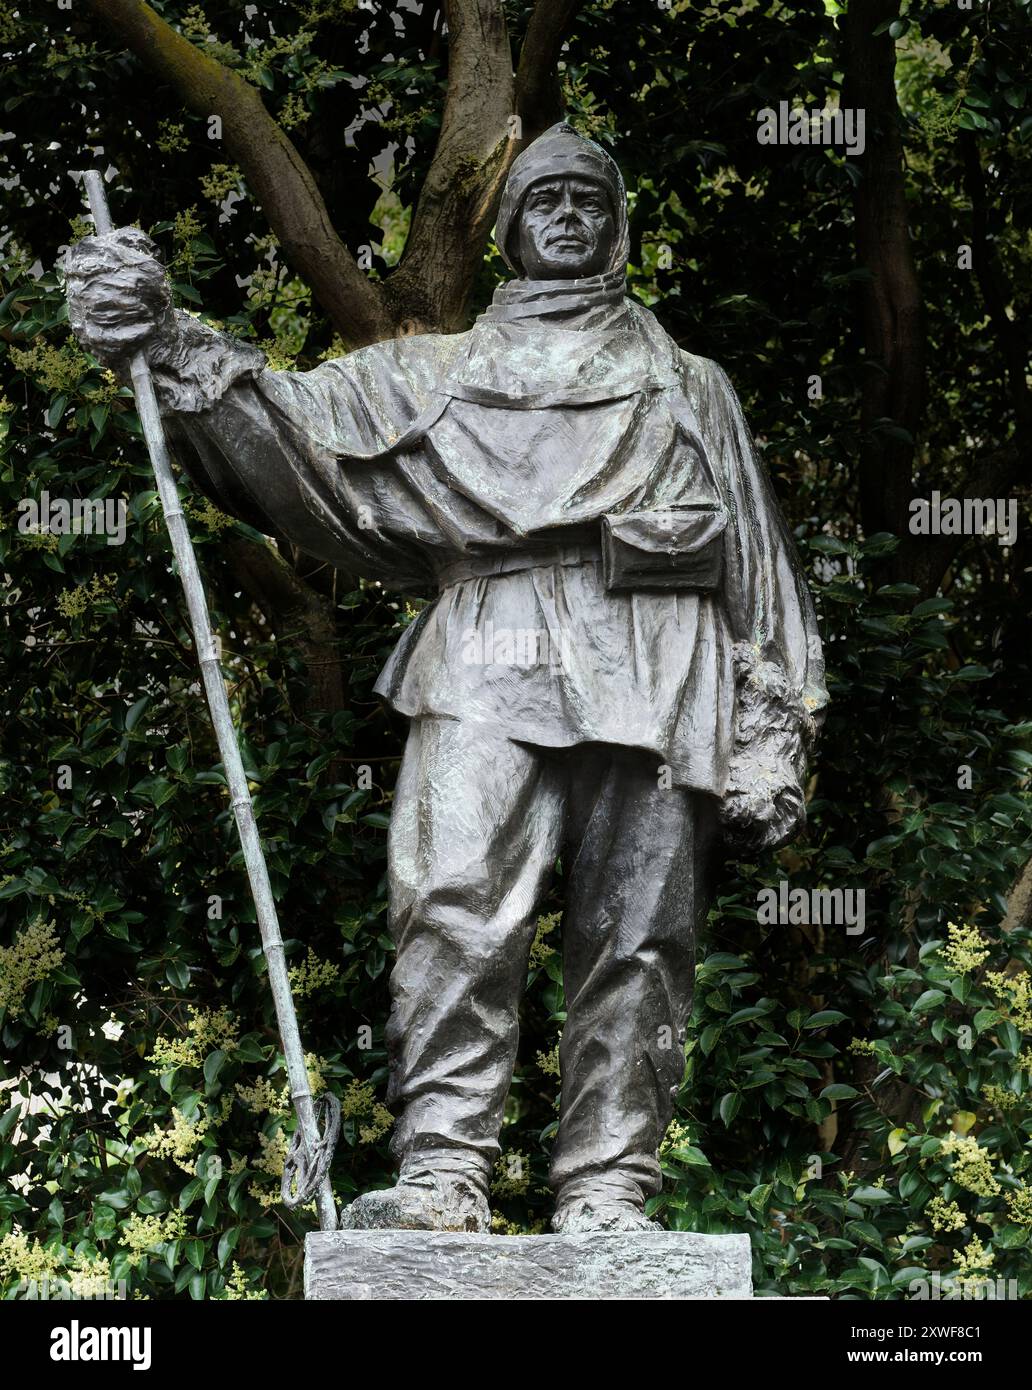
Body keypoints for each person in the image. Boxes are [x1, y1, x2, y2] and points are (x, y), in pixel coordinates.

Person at [65, 123, 827, 1234]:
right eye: (543, 200)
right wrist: (165, 335)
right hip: (485, 645)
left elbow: (758, 561)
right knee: (451, 900)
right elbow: (289, 430)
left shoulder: (689, 385)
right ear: (512, 229)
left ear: (617, 224)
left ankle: (612, 1186)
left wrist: (775, 724)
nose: (567, 216)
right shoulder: (437, 375)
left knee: (641, 936)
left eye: (587, 200)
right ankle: (441, 1171)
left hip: (661, 664)